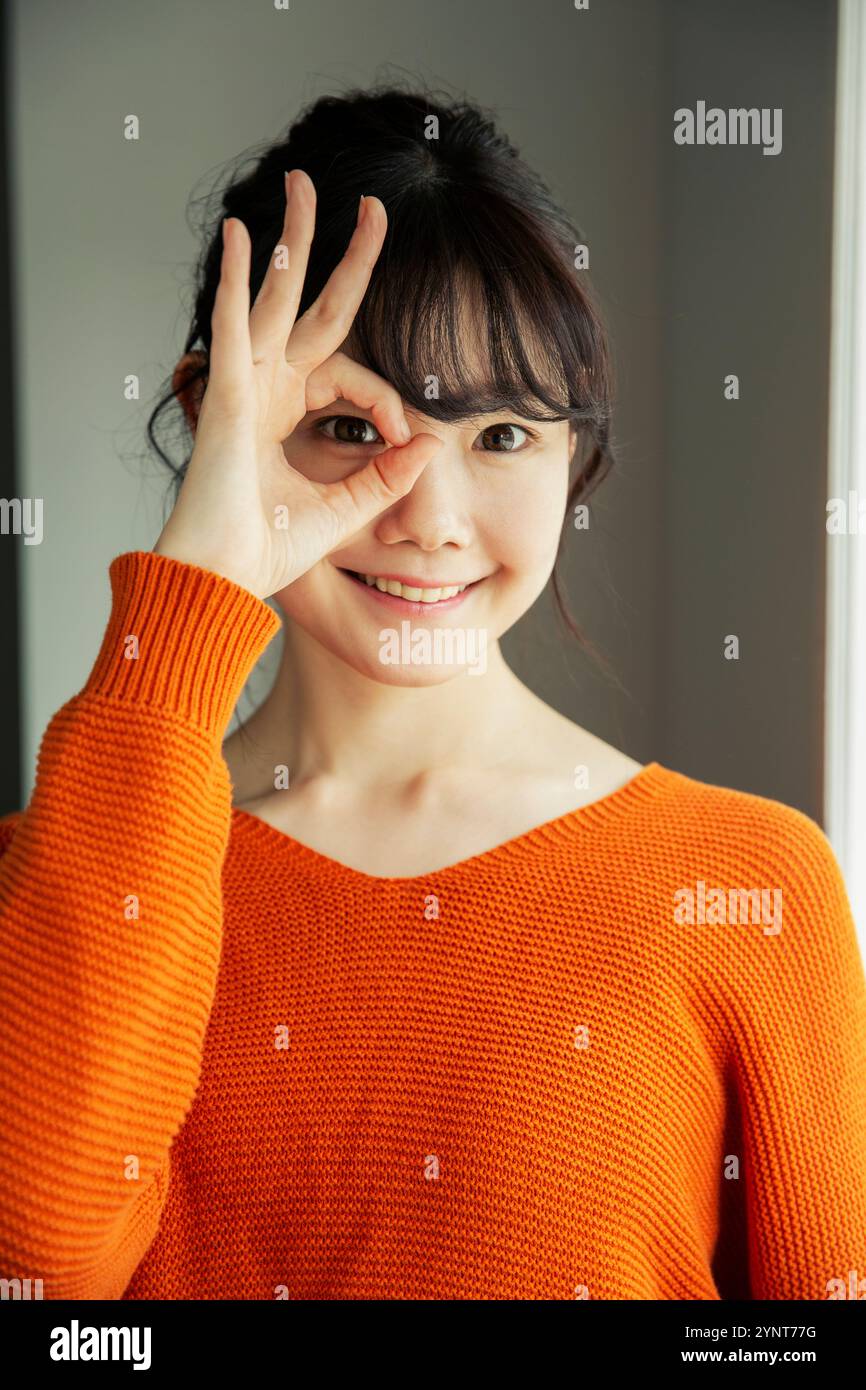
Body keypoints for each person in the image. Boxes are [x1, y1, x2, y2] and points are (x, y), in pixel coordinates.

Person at [0, 83, 863, 1301]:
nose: (429, 522)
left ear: (575, 456)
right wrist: (189, 587)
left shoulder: (748, 885)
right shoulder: (52, 894)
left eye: (502, 435)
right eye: (349, 428)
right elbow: (39, 1268)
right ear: (215, 423)